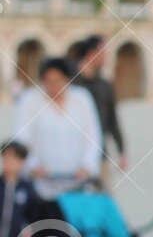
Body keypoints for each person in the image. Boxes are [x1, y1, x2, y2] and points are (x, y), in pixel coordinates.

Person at [13, 57, 101, 198]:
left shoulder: (82, 99)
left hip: (78, 183)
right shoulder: (30, 100)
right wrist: (32, 165)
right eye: (49, 81)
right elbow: (22, 137)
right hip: (41, 184)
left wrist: (87, 166)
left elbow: (93, 136)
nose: (54, 86)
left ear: (67, 80)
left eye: (58, 81)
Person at [71, 34, 128, 187]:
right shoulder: (70, 81)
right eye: (103, 53)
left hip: (99, 153)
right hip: (71, 154)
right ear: (91, 53)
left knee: (102, 200)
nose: (106, 58)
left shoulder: (105, 85)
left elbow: (112, 120)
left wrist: (121, 150)